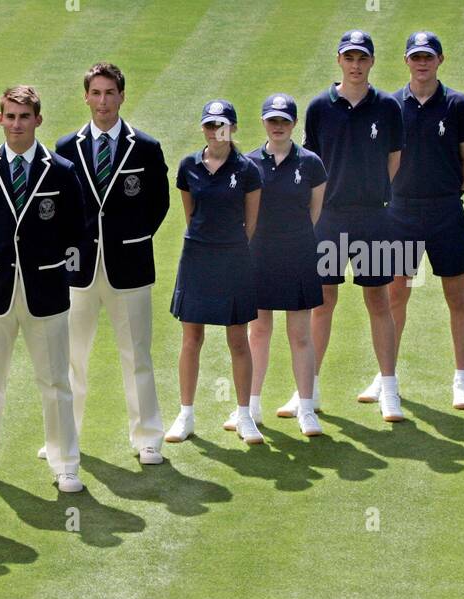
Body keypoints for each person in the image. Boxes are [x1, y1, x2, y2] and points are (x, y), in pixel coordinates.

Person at [0, 85, 87, 492]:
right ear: (0, 119)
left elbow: (76, 230)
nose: (17, 124)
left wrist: (57, 272)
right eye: (10, 116)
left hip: (46, 292)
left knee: (55, 382)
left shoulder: (62, 171)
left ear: (38, 119)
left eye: (24, 116)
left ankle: (65, 462)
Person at [55, 62, 170, 465]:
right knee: (71, 357)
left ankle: (148, 437)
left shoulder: (147, 147)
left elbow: (159, 204)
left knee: (137, 354)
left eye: (110, 93)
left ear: (122, 96)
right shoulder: (65, 148)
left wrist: (131, 240)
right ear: (86, 97)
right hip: (77, 269)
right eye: (96, 93)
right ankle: (65, 437)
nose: (103, 101)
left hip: (131, 266)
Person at [293, 28, 406, 423]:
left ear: (372, 62)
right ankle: (309, 389)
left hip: (375, 216)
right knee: (322, 301)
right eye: (349, 58)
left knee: (379, 300)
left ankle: (389, 389)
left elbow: (394, 160)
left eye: (362, 58)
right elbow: (311, 164)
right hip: (329, 218)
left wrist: (374, 192)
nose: (356, 65)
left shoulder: (389, 107)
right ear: (339, 60)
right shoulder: (319, 107)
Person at [371, 30, 464, 410]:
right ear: (406, 61)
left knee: (456, 295)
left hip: (446, 211)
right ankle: (386, 377)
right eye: (415, 57)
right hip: (399, 212)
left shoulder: (459, 105)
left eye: (428, 57)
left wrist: (450, 193)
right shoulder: (389, 106)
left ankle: (461, 379)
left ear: (440, 60)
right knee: (394, 294)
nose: (422, 63)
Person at [163, 100, 264, 445]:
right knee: (192, 338)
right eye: (209, 126)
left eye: (221, 125)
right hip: (196, 258)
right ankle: (186, 414)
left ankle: (244, 414)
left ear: (233, 128)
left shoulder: (248, 170)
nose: (215, 132)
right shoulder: (188, 166)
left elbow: (250, 223)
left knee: (238, 339)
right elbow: (190, 214)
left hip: (233, 259)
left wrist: (229, 245)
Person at [230, 94, 328, 437]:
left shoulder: (311, 163)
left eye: (285, 121)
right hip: (258, 256)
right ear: (263, 122)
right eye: (273, 121)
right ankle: (251, 406)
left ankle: (306, 408)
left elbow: (315, 211)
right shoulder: (248, 163)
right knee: (258, 331)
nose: (278, 127)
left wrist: (296, 239)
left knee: (300, 334)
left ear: (294, 124)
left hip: (299, 255)